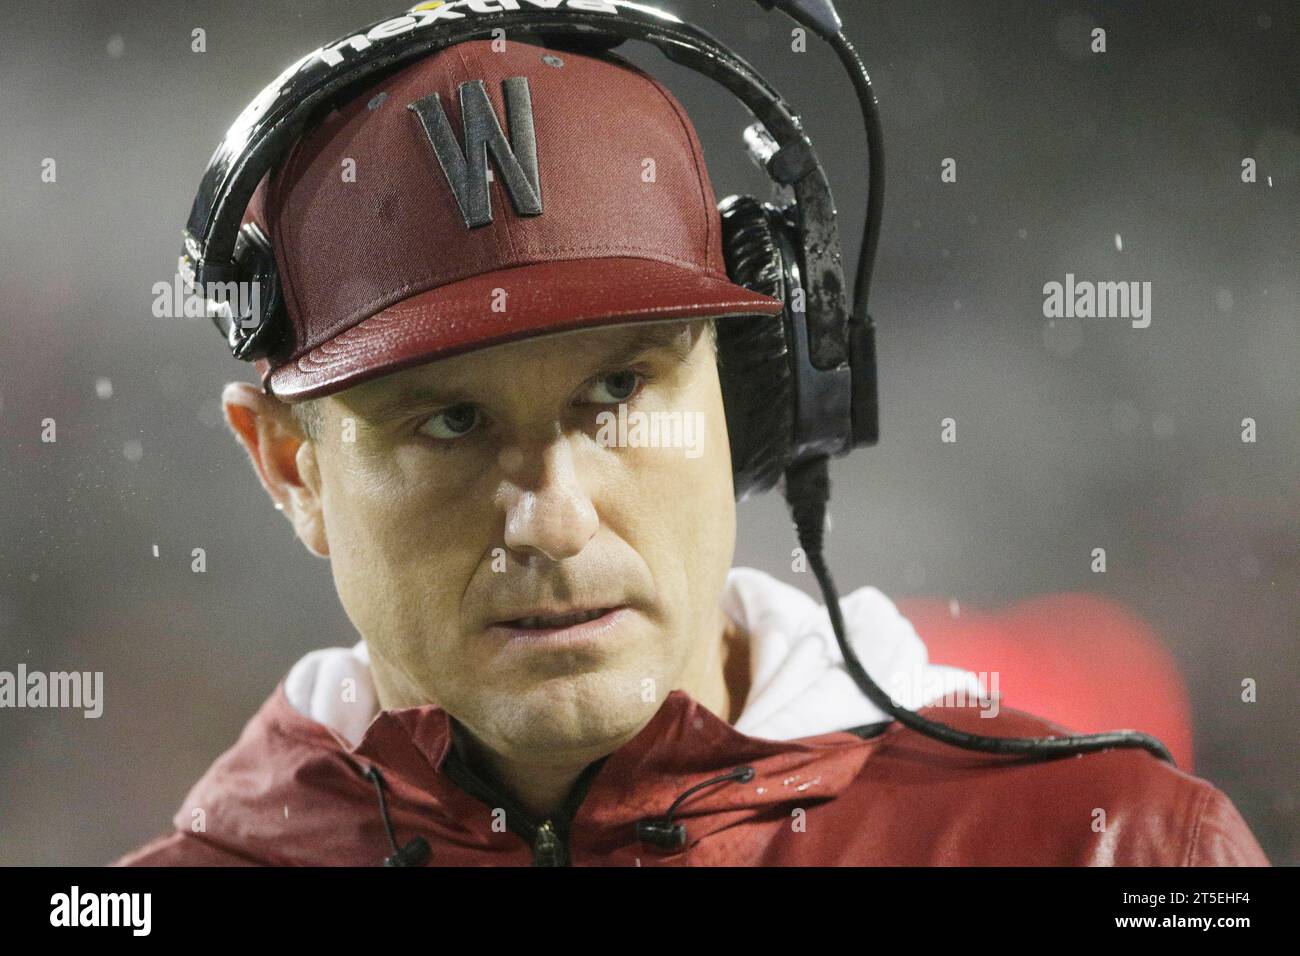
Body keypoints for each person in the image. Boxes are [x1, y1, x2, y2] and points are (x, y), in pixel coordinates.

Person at [114, 34, 1268, 866]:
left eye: (618, 389)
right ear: (289, 466)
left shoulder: (1122, 851)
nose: (553, 516)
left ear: (752, 395)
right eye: (451, 420)